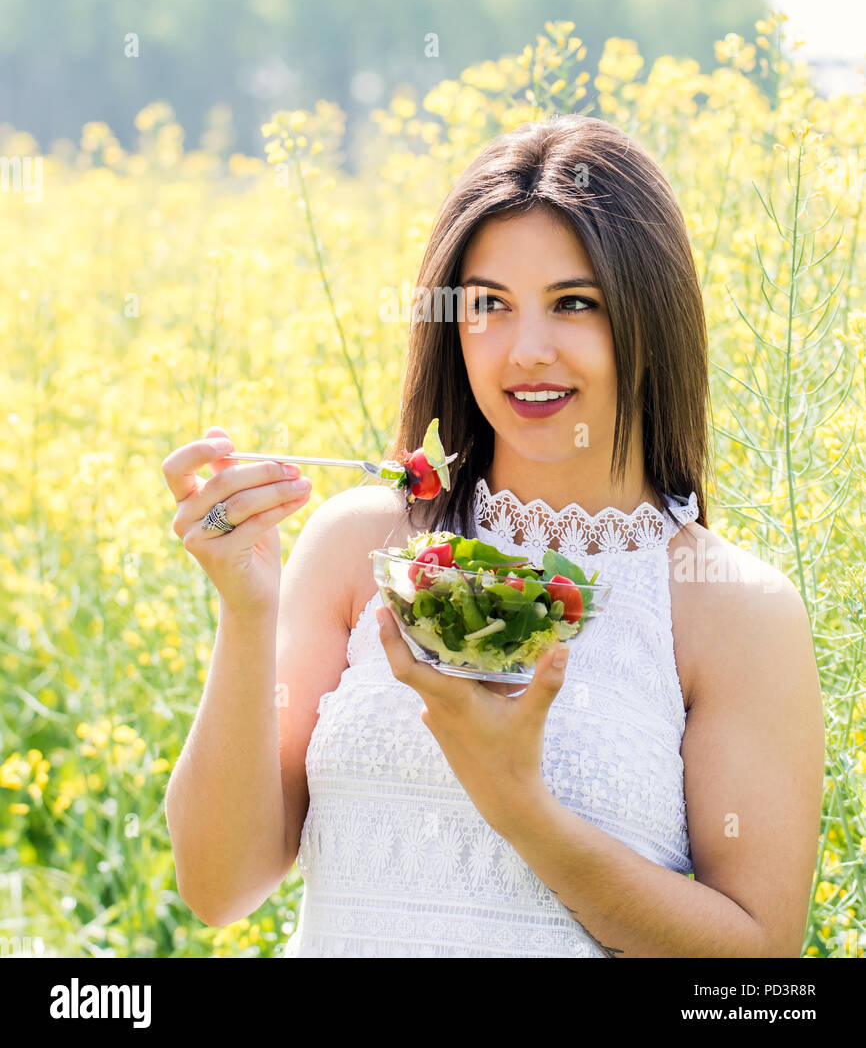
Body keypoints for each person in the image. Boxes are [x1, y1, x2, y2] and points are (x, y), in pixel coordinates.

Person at [161, 113, 825, 958]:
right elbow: (219, 887)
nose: (528, 351)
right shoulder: (358, 547)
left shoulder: (736, 611)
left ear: (650, 317)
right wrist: (246, 610)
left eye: (575, 303)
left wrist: (517, 804)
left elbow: (759, 963)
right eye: (489, 306)